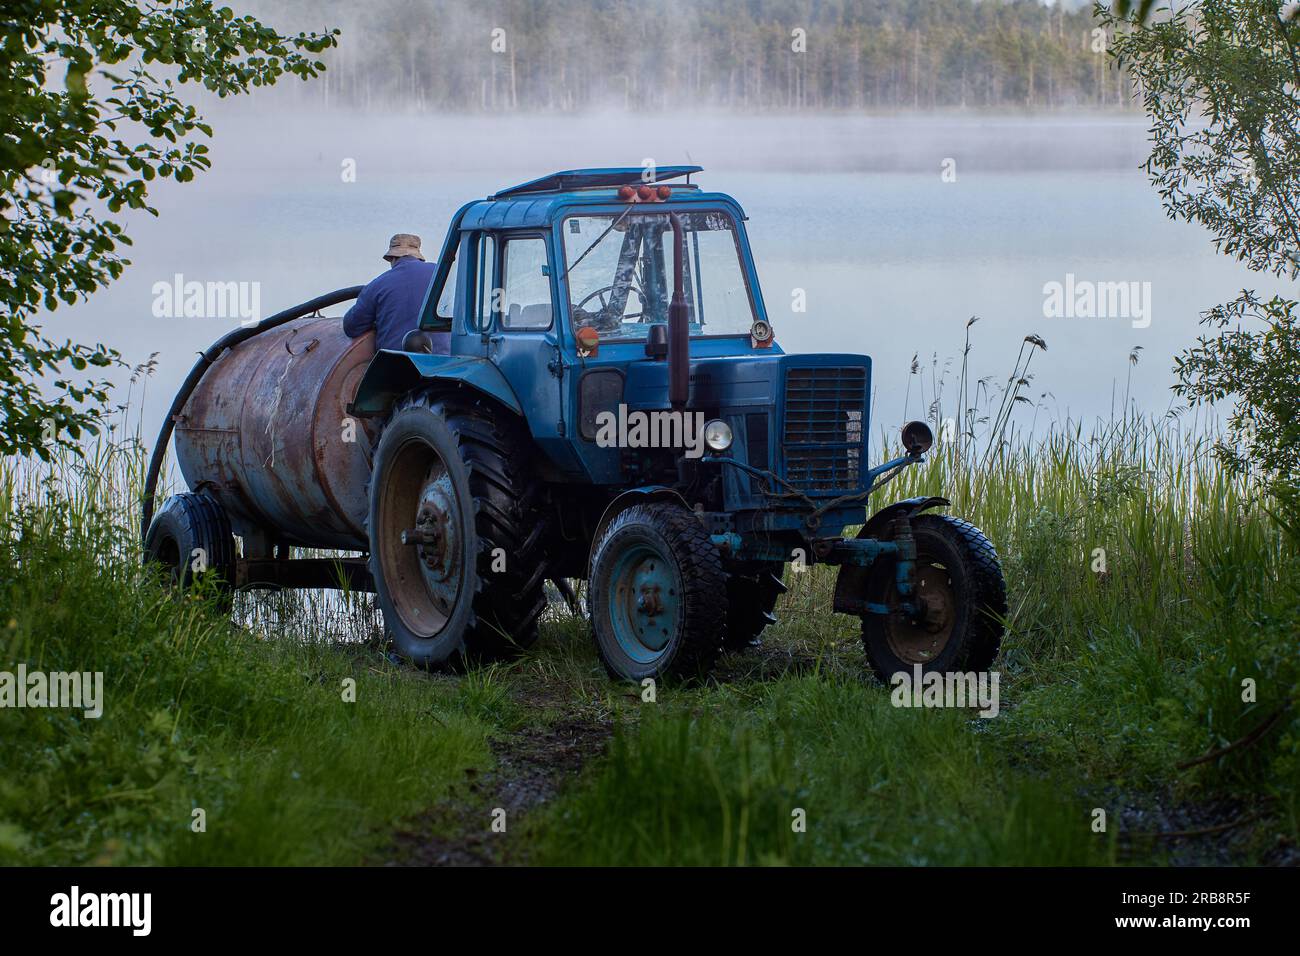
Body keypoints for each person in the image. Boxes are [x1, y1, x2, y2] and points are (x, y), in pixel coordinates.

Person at [342, 234, 447, 352]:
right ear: (418, 256)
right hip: (447, 361)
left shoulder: (377, 285)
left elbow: (351, 327)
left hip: (396, 364)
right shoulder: (444, 275)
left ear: (392, 258)